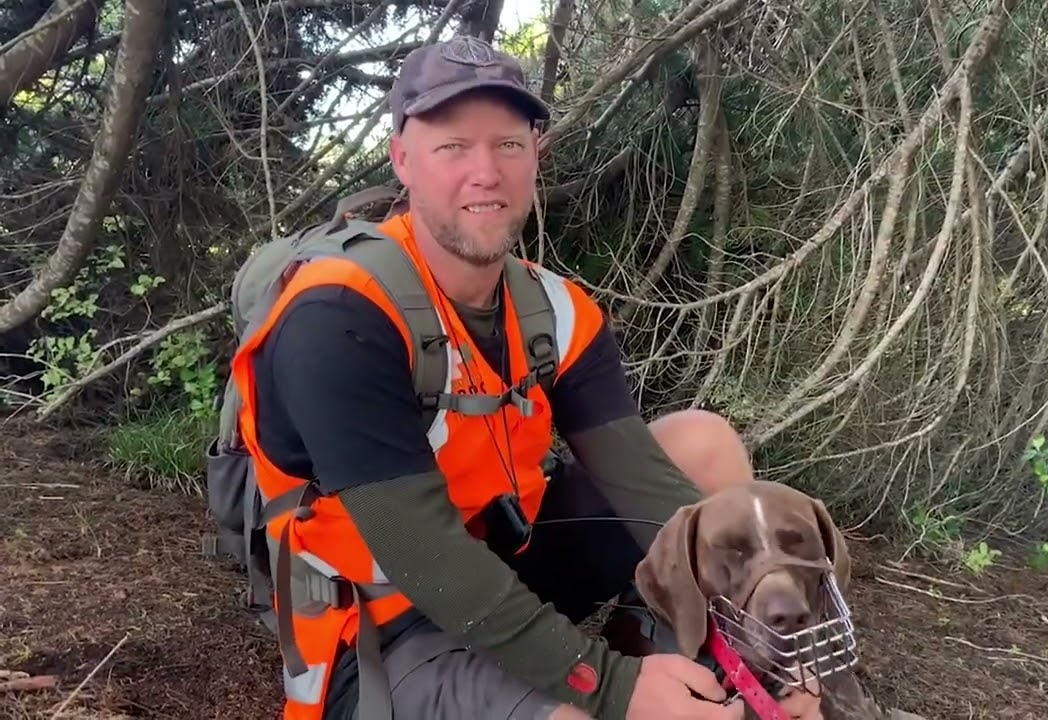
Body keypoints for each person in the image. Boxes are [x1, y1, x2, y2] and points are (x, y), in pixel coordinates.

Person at [230, 34, 822, 720]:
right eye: (453, 146)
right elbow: (429, 560)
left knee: (701, 448)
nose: (485, 171)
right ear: (403, 161)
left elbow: (649, 486)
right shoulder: (337, 317)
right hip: (380, 625)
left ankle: (691, 659)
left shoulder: (557, 313)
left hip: (503, 566)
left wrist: (755, 647)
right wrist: (609, 685)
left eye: (507, 144)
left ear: (534, 155)